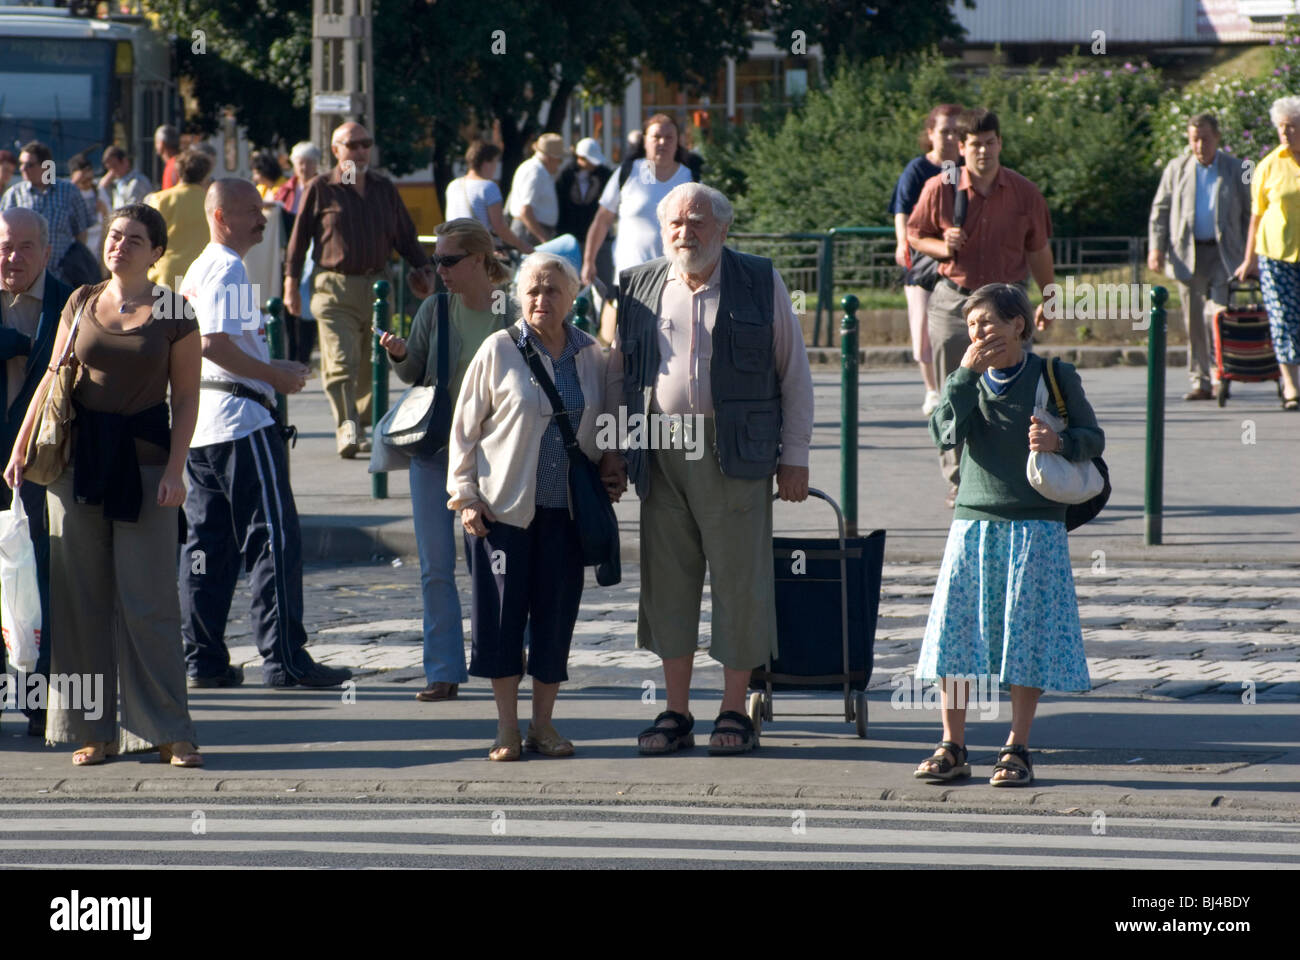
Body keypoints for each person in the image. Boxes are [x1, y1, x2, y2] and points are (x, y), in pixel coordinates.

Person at [602, 183, 814, 756]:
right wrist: (614, 449)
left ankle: (733, 710)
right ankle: (675, 711)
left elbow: (793, 373)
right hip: (661, 449)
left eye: (696, 222)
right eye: (675, 222)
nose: (684, 233)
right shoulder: (639, 283)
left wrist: (794, 456)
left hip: (734, 451)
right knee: (667, 581)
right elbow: (620, 376)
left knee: (739, 580)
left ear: (722, 228)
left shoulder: (758, 279)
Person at [4, 204, 203, 767]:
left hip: (145, 467)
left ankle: (167, 729)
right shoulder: (82, 300)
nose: (119, 246)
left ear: (156, 252)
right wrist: (21, 446)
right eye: (114, 236)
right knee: (79, 603)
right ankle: (93, 731)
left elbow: (187, 398)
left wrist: (175, 470)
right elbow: (52, 376)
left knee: (150, 603)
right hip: (78, 465)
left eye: (134, 239)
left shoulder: (175, 311)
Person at [914, 284, 1101, 786]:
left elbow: (1093, 437)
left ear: (1019, 324)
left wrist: (1060, 440)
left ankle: (1017, 746)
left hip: (1037, 524)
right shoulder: (968, 379)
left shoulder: (1053, 375)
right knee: (955, 638)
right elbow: (942, 434)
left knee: (1027, 638)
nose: (979, 333)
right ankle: (952, 744)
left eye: (989, 323)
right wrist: (962, 377)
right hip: (973, 520)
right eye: (973, 326)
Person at [177, 179, 353, 689]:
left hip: (208, 425)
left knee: (207, 547)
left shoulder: (203, 265)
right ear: (220, 215)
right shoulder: (229, 266)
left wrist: (266, 363)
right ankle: (285, 661)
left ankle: (203, 660)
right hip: (242, 425)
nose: (263, 218)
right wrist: (273, 378)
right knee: (272, 540)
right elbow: (212, 343)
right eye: (251, 210)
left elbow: (220, 344)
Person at [447, 252, 613, 760]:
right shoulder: (499, 348)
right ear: (519, 296)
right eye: (533, 291)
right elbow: (464, 429)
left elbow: (606, 421)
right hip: (502, 512)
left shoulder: (592, 355)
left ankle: (543, 724)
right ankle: (506, 729)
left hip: (566, 512)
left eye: (553, 290)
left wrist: (613, 465)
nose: (542, 299)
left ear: (572, 297)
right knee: (501, 620)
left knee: (555, 618)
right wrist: (465, 497)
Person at [379, 218, 515, 702]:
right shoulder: (435, 309)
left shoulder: (509, 310)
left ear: (480, 260)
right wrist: (398, 354)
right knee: (435, 566)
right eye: (436, 260)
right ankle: (442, 669)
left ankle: (498, 662)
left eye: (449, 260)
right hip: (435, 451)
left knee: (492, 565)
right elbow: (414, 371)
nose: (439, 270)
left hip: (492, 459)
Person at [907, 109, 1056, 509]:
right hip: (955, 300)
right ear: (961, 147)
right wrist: (943, 245)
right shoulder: (943, 185)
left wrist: (1050, 297)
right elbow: (914, 233)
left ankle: (1015, 472)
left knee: (1014, 390)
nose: (983, 151)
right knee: (956, 390)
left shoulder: (1023, 192)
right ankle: (959, 481)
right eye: (975, 144)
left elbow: (1038, 248)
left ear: (1000, 144)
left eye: (990, 142)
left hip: (1008, 303)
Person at [284, 121, 436, 457]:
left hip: (378, 287)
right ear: (335, 150)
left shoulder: (384, 188)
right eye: (352, 145)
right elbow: (298, 243)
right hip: (333, 286)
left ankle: (364, 422)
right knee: (341, 360)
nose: (360, 151)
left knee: (372, 360)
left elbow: (406, 237)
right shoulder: (320, 188)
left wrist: (423, 269)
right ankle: (346, 426)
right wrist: (290, 285)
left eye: (365, 143)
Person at [0, 209, 72, 737]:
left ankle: (36, 703)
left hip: (44, 470)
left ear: (47, 252)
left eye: (26, 247)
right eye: (5, 245)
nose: (13, 256)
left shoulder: (70, 303)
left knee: (41, 585)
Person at [1148, 113, 1251, 401]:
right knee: (1193, 319)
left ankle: (1222, 374)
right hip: (1188, 254)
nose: (1199, 145)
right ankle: (1200, 381)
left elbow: (1249, 213)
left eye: (1205, 138)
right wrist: (1156, 248)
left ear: (1217, 137)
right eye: (1194, 139)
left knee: (1218, 315)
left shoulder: (1237, 168)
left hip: (1223, 254)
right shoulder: (1176, 168)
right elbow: (1161, 210)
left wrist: (1249, 253)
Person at [891, 104, 963, 416]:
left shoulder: (967, 165)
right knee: (922, 324)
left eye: (955, 131)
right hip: (922, 255)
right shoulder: (918, 170)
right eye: (943, 130)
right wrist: (901, 242)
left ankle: (961, 385)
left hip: (959, 256)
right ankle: (932, 390)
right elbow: (901, 208)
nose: (949, 137)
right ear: (930, 133)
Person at [582, 115, 696, 296]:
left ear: (678, 142)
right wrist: (589, 261)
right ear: (644, 140)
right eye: (656, 137)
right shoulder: (634, 172)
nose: (662, 142)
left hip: (677, 278)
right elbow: (603, 220)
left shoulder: (689, 177)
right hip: (631, 276)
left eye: (669, 138)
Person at [1235, 96, 1300, 410]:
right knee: (1284, 319)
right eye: (1281, 127)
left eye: (1291, 127)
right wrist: (1249, 260)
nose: (1285, 133)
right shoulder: (1268, 166)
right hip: (1275, 255)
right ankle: (1291, 386)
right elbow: (1256, 217)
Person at [0, 141, 91, 287]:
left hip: (62, 277)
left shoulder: (69, 192)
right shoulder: (14, 194)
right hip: (23, 278)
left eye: (29, 164)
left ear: (45, 166)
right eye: (21, 164)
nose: (23, 168)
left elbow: (81, 232)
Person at [273, 141, 323, 366]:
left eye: (309, 163)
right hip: (289, 253)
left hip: (314, 250)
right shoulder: (285, 190)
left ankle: (304, 356)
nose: (304, 168)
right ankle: (291, 353)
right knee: (289, 300)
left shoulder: (323, 187)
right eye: (300, 163)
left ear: (316, 164)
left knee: (306, 299)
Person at [444, 141, 532, 254]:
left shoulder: (453, 185)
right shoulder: (488, 187)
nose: (495, 167)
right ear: (486, 163)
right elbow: (499, 227)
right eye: (495, 162)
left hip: (454, 247)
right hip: (478, 249)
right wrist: (521, 245)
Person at [146, 148, 215, 290]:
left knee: (167, 312)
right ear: (206, 174)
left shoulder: (160, 199)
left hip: (165, 273)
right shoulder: (211, 202)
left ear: (178, 171)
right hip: (201, 275)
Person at [556, 138, 612, 259]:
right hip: (571, 235)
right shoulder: (565, 175)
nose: (593, 164)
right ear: (579, 158)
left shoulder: (604, 175)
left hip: (597, 236)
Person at [507, 133, 565, 247]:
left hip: (531, 230)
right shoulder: (535, 172)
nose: (558, 165)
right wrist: (544, 239)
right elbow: (525, 210)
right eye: (558, 160)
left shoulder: (537, 170)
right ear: (550, 158)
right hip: (530, 233)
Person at [68, 154, 109, 276]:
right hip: (76, 249)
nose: (87, 183)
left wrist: (104, 210)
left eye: (90, 179)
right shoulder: (69, 192)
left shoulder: (98, 191)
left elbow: (109, 218)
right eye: (83, 180)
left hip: (97, 249)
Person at [156, 125, 182, 191]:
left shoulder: (172, 165)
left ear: (162, 144)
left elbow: (169, 194)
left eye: (156, 142)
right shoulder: (183, 161)